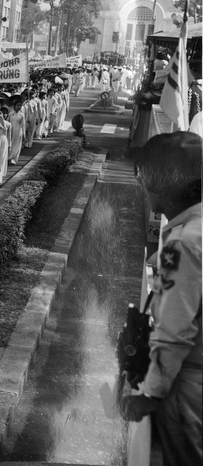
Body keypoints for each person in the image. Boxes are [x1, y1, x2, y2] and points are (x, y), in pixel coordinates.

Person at [121, 132, 202, 466]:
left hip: (188, 384)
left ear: (164, 181)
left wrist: (149, 394)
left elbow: (173, 331)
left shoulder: (182, 243)